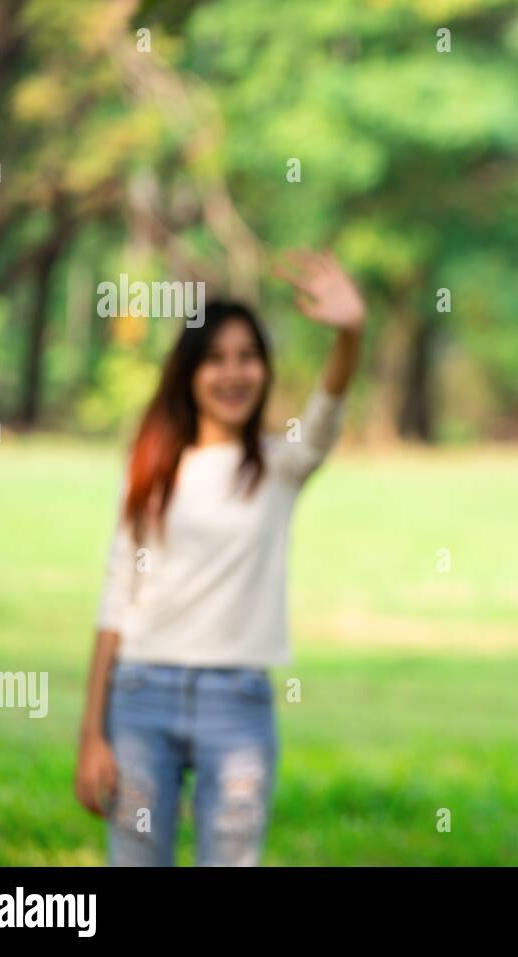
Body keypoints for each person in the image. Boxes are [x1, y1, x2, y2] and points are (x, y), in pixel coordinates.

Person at [74, 251, 367, 866]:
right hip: (140, 692)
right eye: (215, 359)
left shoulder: (279, 464)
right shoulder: (151, 466)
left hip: (236, 703)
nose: (233, 374)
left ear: (264, 369)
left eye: (247, 357)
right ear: (188, 373)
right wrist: (91, 733)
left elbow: (326, 413)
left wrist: (349, 332)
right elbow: (115, 596)